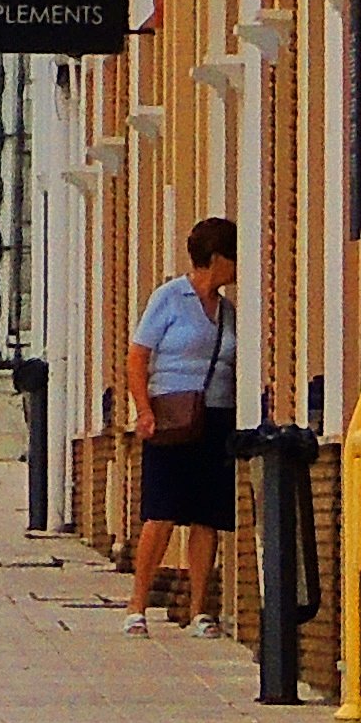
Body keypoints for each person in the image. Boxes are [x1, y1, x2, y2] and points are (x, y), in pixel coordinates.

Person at [120, 215, 241, 631]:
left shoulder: (228, 311)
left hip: (217, 418)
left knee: (207, 515)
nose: (238, 265)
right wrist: (144, 410)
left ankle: (198, 610)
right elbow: (138, 356)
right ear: (216, 258)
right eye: (232, 256)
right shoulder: (170, 298)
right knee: (163, 512)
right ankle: (137, 606)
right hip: (172, 417)